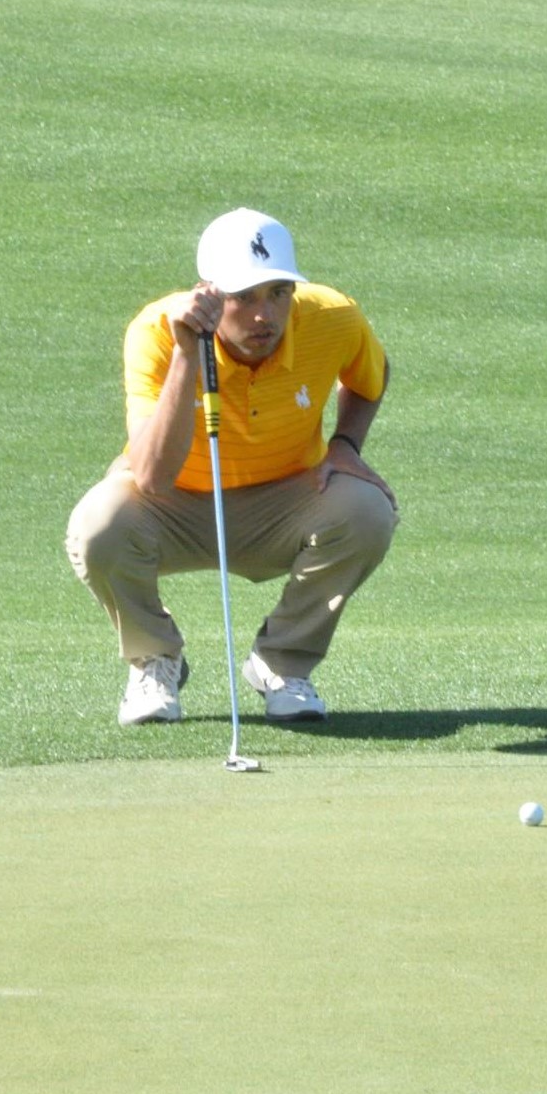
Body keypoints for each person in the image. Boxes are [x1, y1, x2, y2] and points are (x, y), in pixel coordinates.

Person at [65, 207, 398, 726]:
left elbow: (370, 377)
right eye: (243, 298)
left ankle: (281, 664)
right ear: (209, 293)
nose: (264, 314)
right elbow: (152, 476)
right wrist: (185, 356)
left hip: (287, 502)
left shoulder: (333, 317)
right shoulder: (154, 332)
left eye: (278, 293)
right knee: (98, 525)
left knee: (368, 510)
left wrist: (346, 445)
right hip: (172, 506)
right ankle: (156, 659)